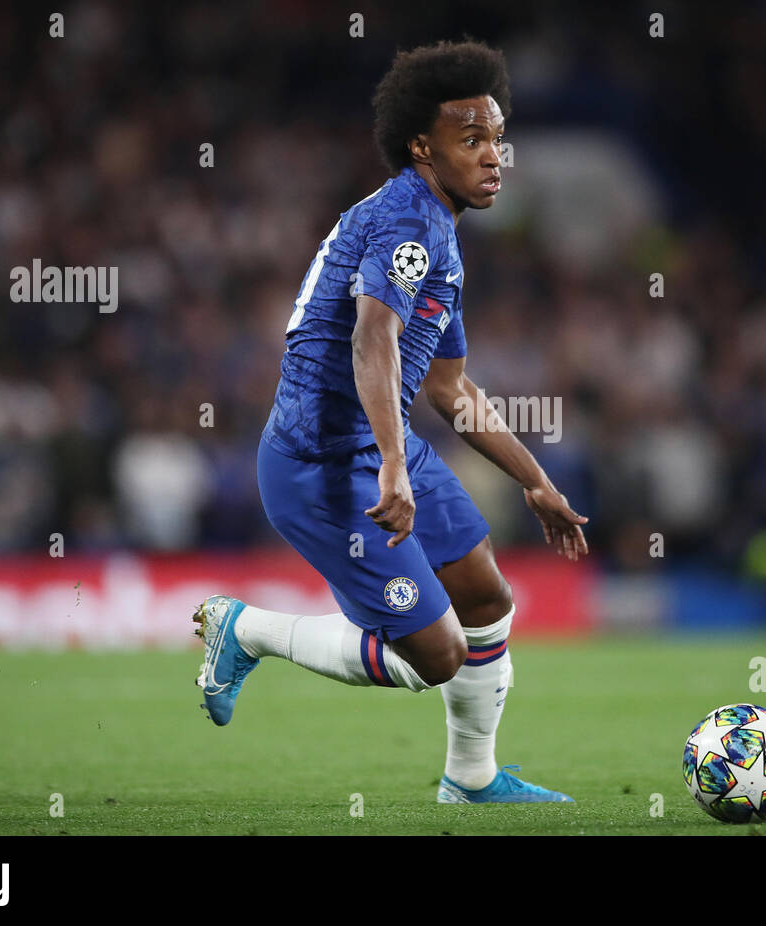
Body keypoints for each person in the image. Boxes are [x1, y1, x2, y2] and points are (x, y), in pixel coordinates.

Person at [193, 39, 589, 803]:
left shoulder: (439, 230)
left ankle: (470, 780)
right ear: (422, 146)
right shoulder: (407, 223)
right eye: (470, 140)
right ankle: (244, 630)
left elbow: (449, 388)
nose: (493, 156)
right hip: (323, 468)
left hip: (380, 448)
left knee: (486, 599)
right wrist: (393, 465)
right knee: (435, 655)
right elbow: (370, 336)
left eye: (497, 138)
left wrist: (534, 482)